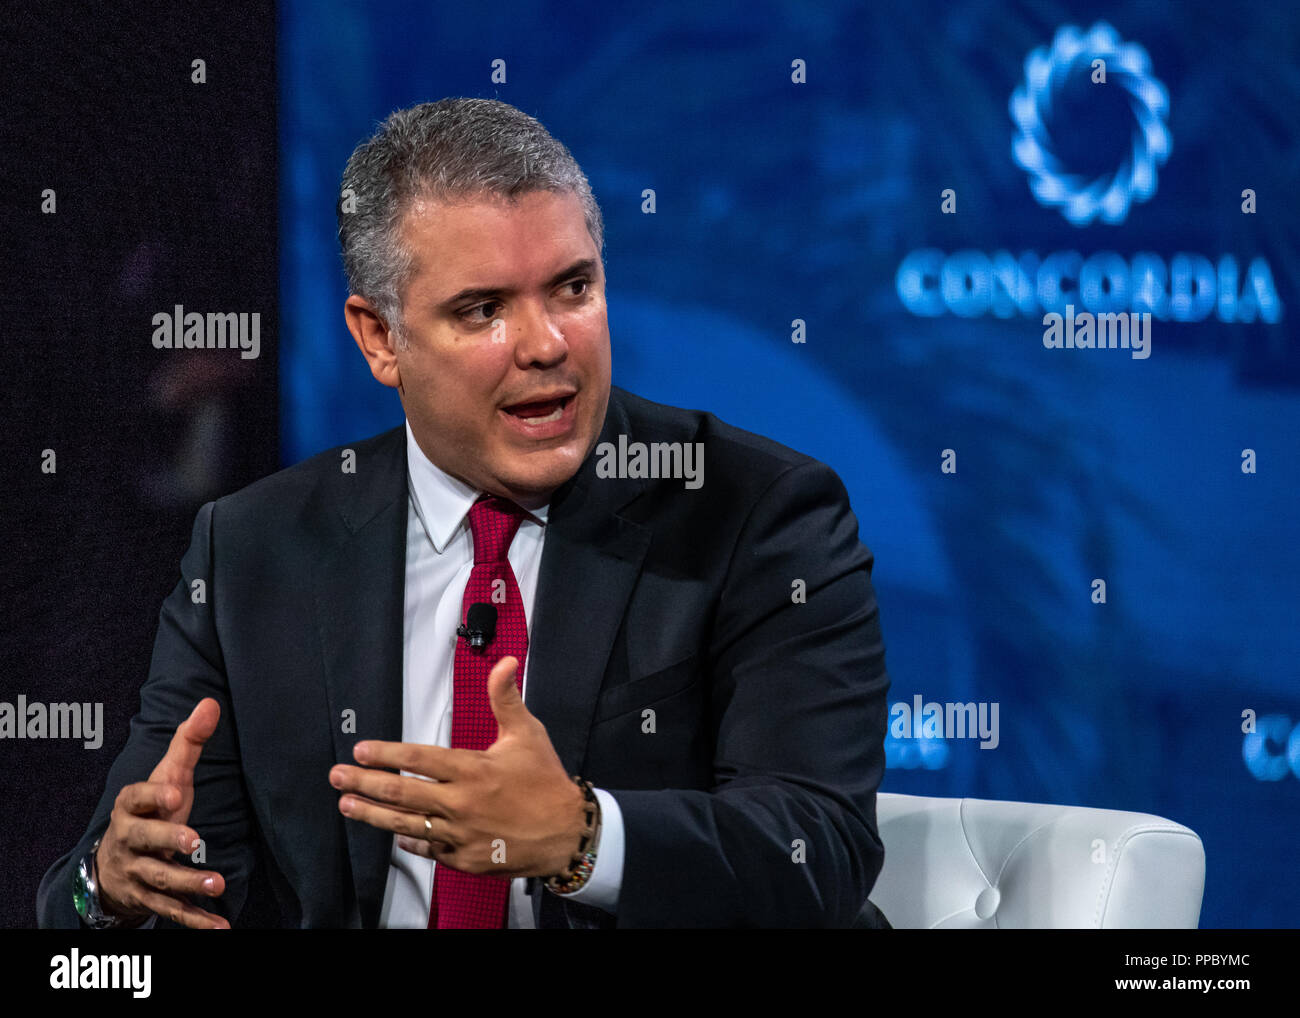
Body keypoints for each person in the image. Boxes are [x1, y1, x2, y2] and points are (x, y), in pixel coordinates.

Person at [37, 98, 891, 929]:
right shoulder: (255, 550)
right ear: (380, 339)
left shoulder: (757, 515)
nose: (546, 343)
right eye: (483, 309)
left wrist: (584, 839)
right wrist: (109, 891)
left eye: (572, 288)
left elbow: (818, 846)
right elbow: (96, 898)